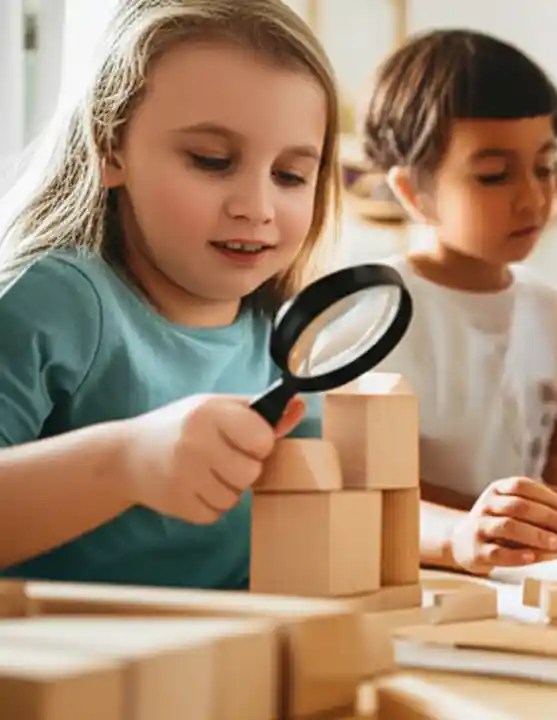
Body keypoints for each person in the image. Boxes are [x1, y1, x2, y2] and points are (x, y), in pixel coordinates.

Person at [0, 0, 334, 587]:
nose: (255, 208)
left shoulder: (281, 337)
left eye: (289, 175)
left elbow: (337, 492)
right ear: (110, 148)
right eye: (211, 160)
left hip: (228, 661)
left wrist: (460, 537)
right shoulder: (56, 303)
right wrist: (126, 461)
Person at [361, 30, 557, 575]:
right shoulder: (374, 315)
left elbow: (554, 463)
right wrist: (465, 529)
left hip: (518, 575)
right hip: (418, 575)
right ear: (411, 192)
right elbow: (361, 492)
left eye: (544, 166)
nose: (533, 197)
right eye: (494, 175)